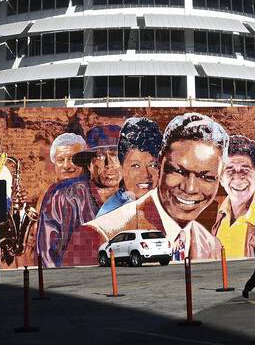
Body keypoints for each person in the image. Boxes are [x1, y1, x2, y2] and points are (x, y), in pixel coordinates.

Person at [72, 112, 226, 263]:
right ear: (161, 164)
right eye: (179, 171)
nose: (190, 188)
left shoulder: (213, 246)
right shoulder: (96, 236)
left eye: (207, 177)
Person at [35, 127, 122, 267]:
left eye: (115, 155)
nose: (109, 164)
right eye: (100, 156)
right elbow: (47, 256)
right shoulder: (63, 195)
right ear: (89, 163)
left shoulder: (132, 197)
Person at [97, 116, 162, 216]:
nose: (145, 174)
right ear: (122, 167)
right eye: (135, 166)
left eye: (152, 165)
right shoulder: (109, 215)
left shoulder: (168, 207)